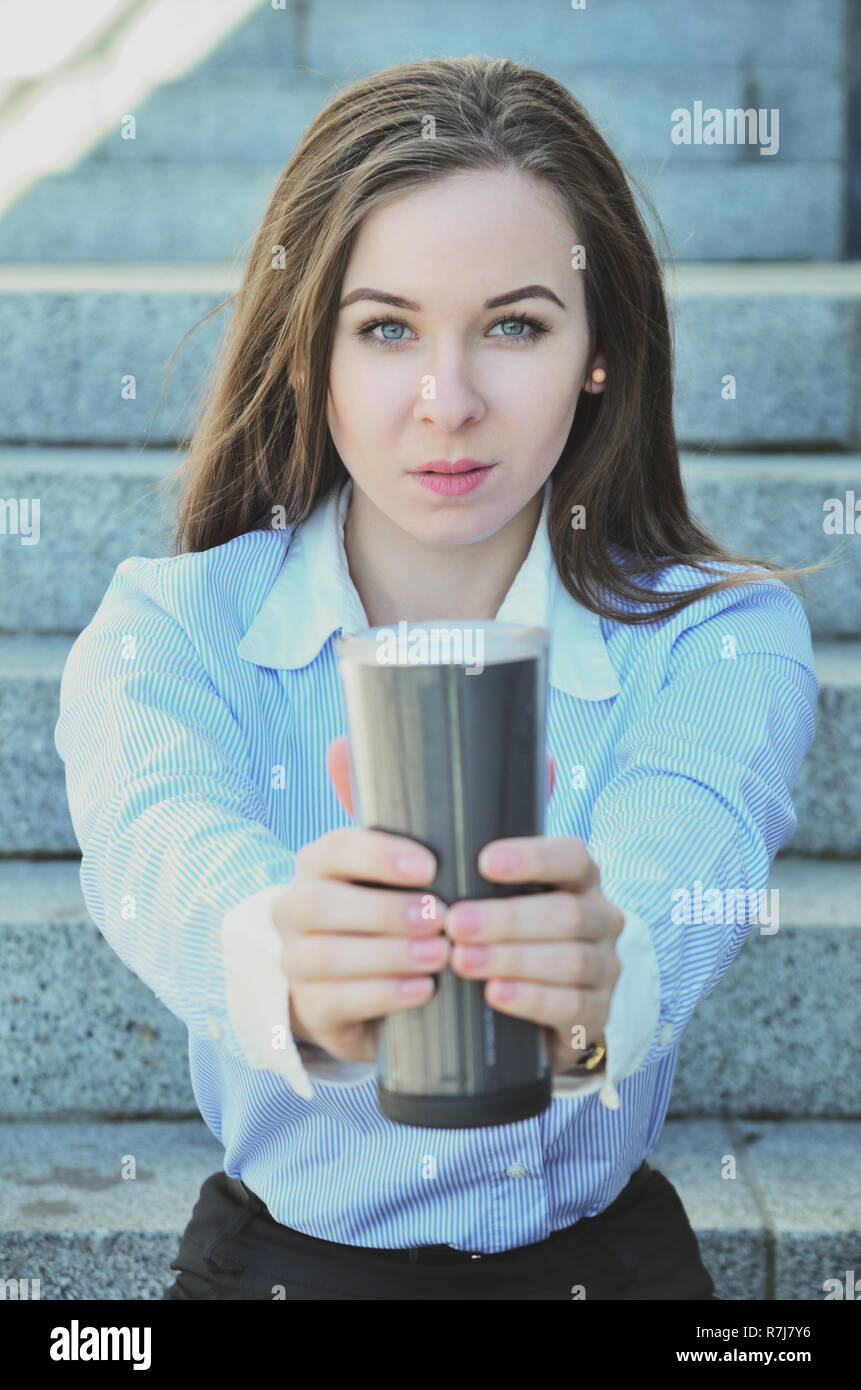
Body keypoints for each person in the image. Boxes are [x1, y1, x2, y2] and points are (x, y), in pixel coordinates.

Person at [54, 56, 827, 1300]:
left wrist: (597, 972)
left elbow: (690, 857)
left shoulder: (724, 634)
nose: (447, 402)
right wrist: (286, 962)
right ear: (308, 353)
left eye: (514, 324)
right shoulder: (170, 625)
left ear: (598, 350)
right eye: (386, 327)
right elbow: (159, 847)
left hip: (596, 1266)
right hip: (281, 1266)